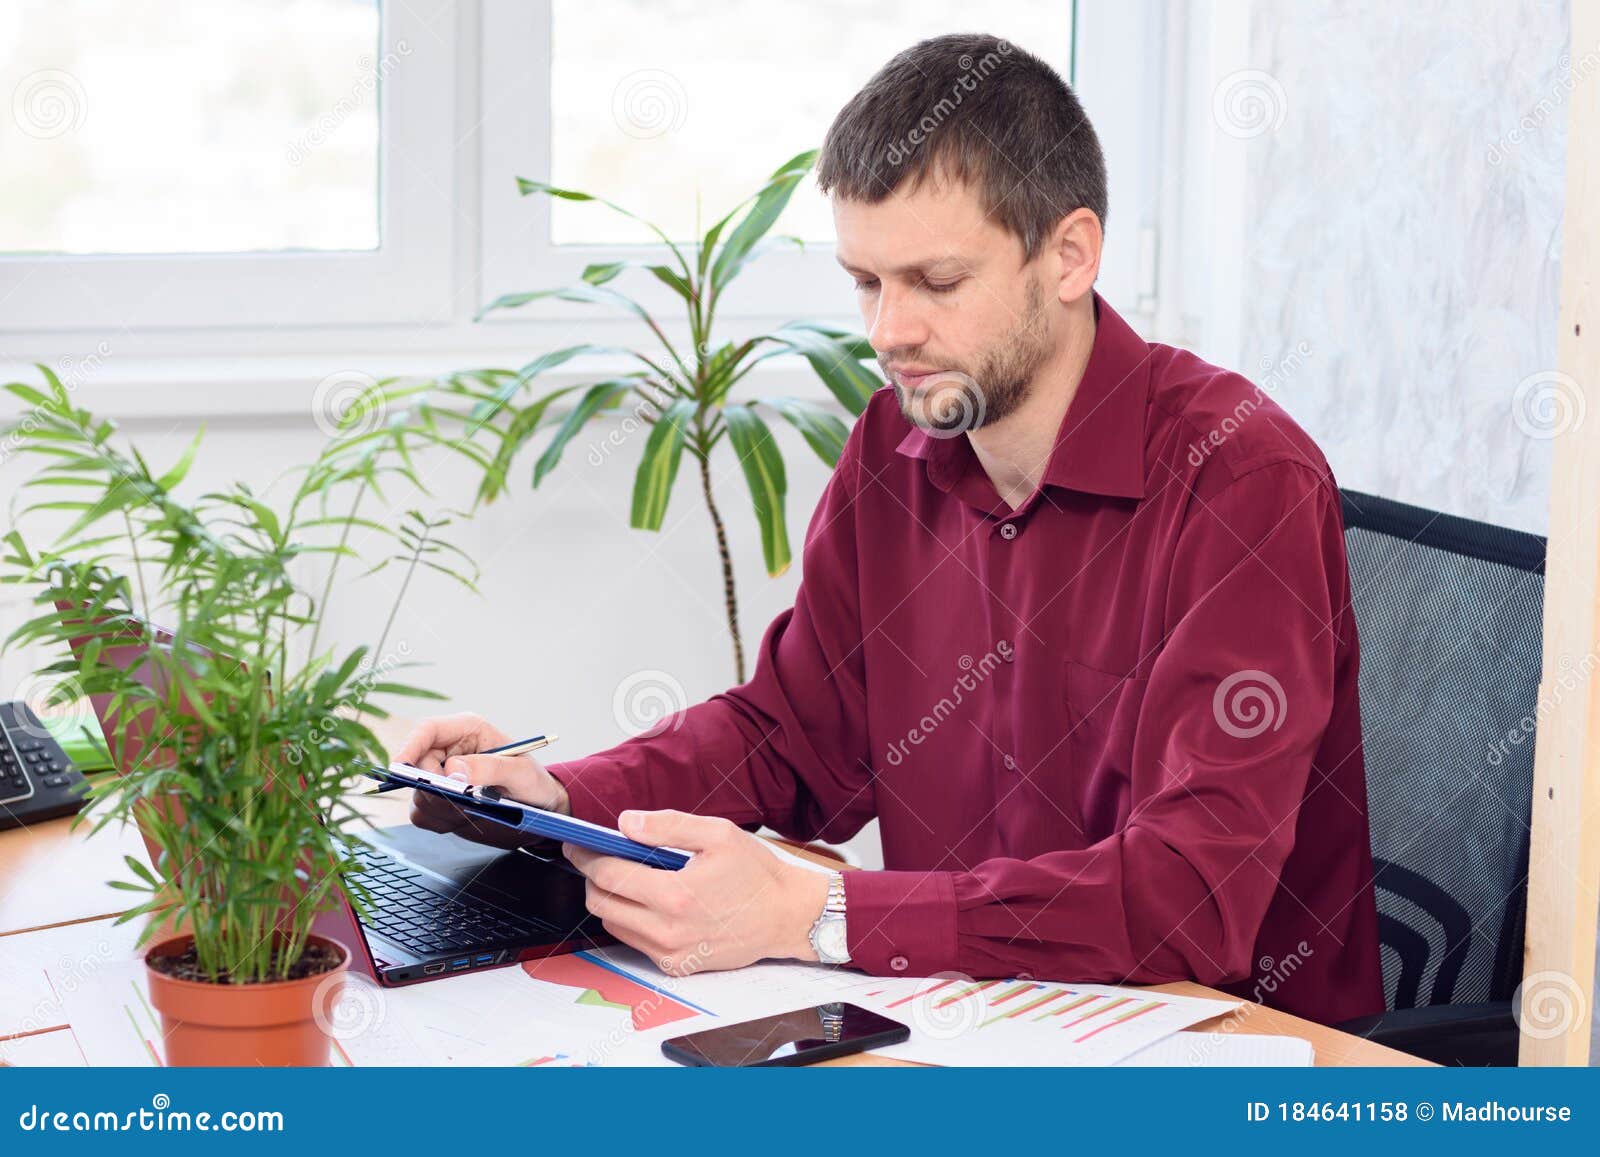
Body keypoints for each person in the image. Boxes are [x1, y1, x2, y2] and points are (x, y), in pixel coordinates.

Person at [398, 32, 1385, 1026]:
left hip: (1222, 1049)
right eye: (866, 282)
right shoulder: (893, 446)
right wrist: (557, 795)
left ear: (1070, 256)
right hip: (975, 1018)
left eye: (936, 282)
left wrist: (818, 912)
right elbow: (791, 735)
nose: (887, 332)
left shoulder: (1241, 479)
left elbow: (1188, 896)